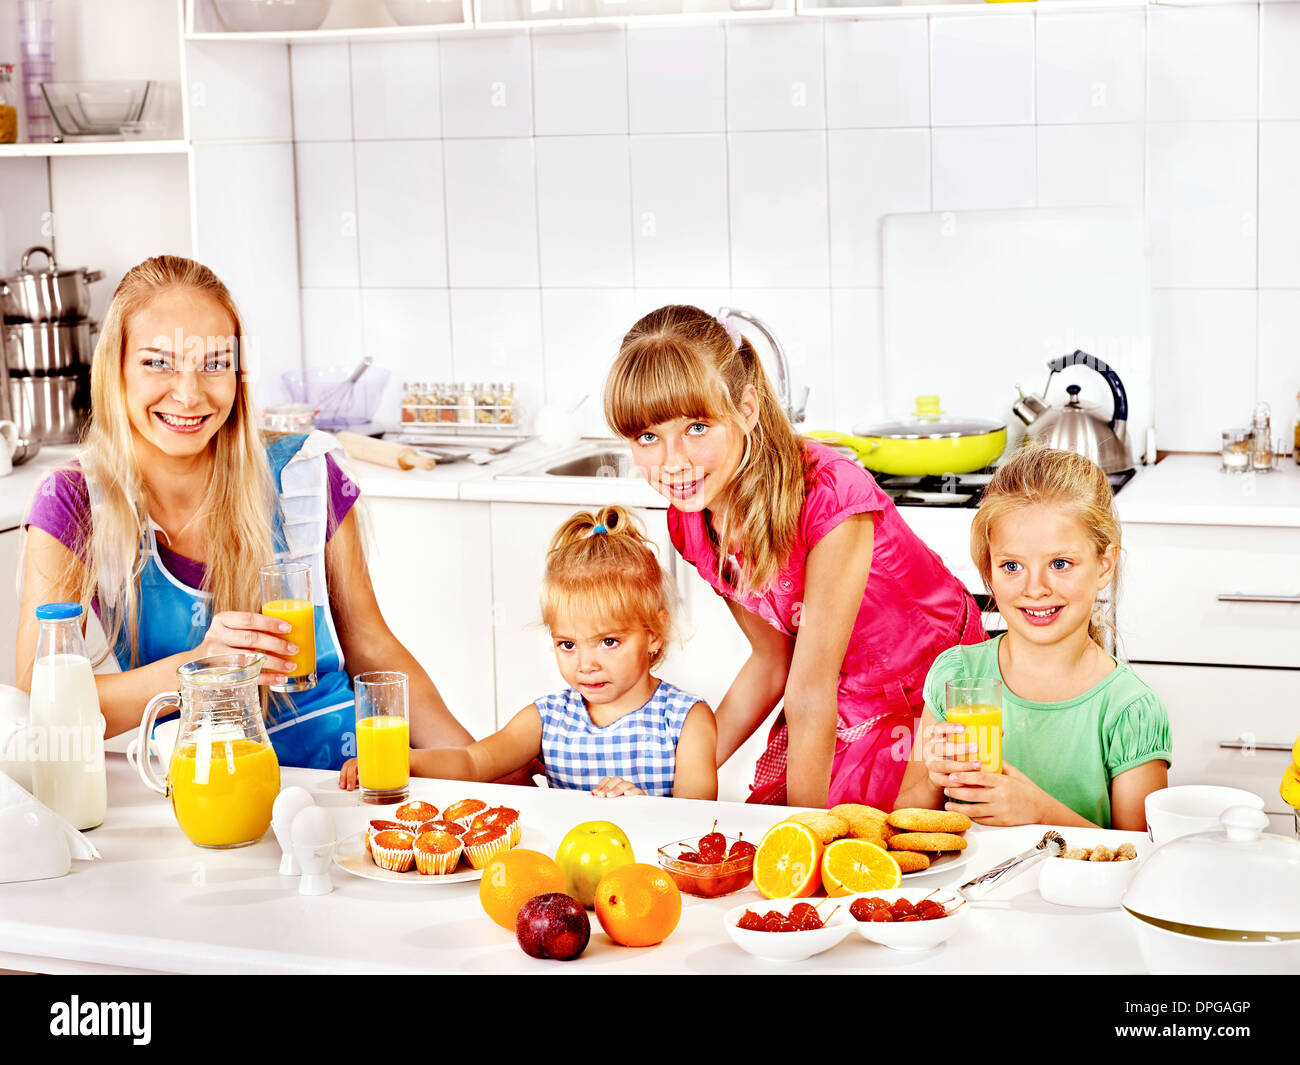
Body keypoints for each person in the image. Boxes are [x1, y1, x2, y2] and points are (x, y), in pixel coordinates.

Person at [16, 255, 474, 770]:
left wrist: (481, 765)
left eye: (213, 363)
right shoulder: (74, 501)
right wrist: (200, 668)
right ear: (115, 368)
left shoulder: (304, 475)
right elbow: (46, 699)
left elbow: (372, 645)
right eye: (157, 362)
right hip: (206, 791)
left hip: (347, 781)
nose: (188, 394)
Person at [603, 305, 985, 810]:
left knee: (891, 857)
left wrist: (807, 833)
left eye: (697, 428)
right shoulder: (692, 522)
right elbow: (772, 659)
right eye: (648, 437)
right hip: (837, 705)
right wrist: (675, 784)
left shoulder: (830, 498)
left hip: (935, 699)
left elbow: (809, 691)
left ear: (746, 409)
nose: (673, 462)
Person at [340, 506, 718, 799]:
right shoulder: (549, 717)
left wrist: (646, 808)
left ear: (654, 634)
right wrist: (402, 759)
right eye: (567, 645)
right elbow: (473, 761)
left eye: (609, 642)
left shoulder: (686, 721)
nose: (586, 664)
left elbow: (695, 817)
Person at [895, 446, 1170, 829]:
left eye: (1060, 564)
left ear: (1103, 566)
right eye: (1012, 566)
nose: (1035, 588)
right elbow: (907, 825)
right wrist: (931, 776)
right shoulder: (956, 676)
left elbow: (1141, 862)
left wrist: (1040, 813)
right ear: (988, 571)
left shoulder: (1129, 710)